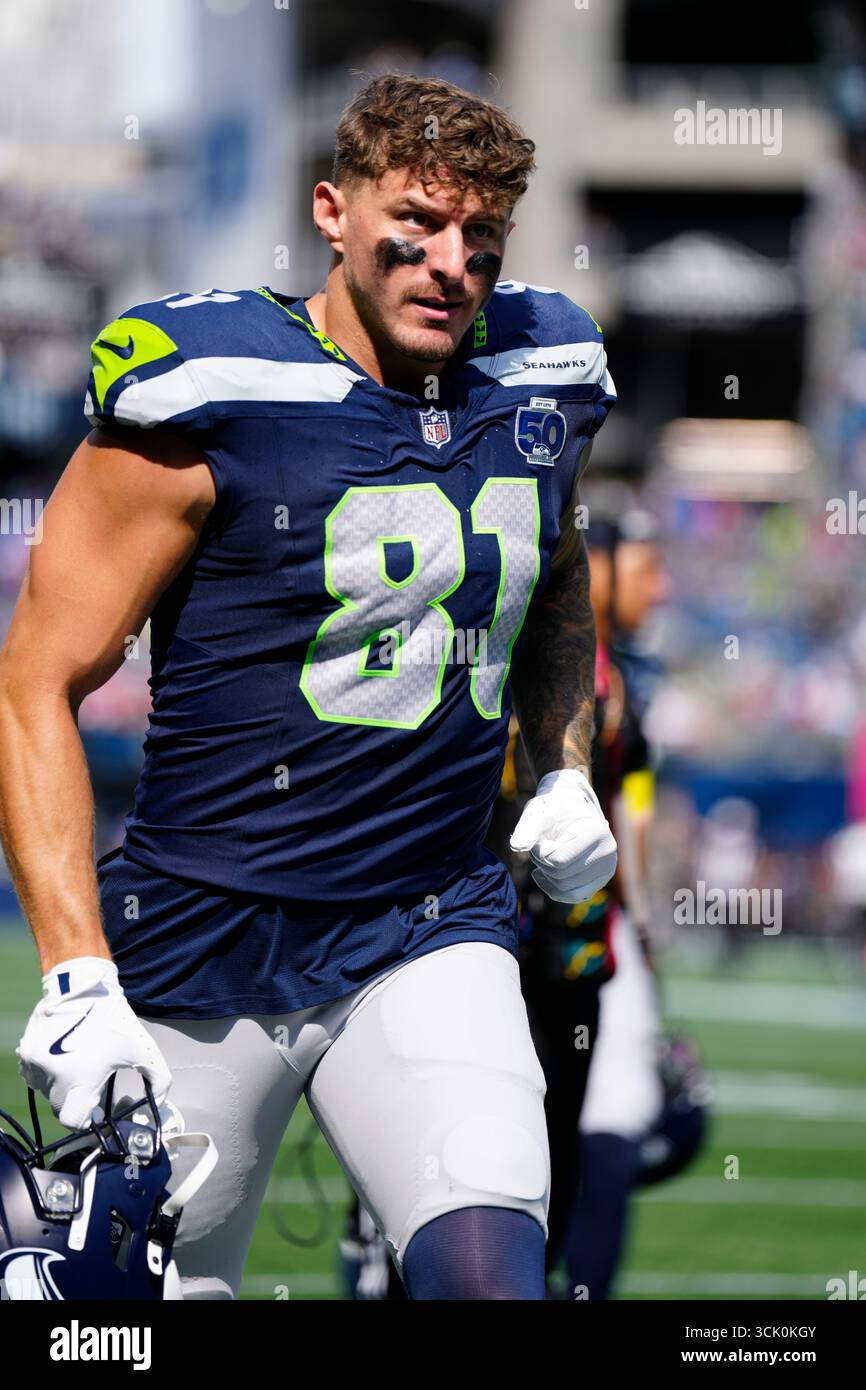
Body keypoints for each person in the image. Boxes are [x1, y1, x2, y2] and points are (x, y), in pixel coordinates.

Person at [0, 73, 617, 1301]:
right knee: (120, 1317)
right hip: (199, 942)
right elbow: (31, 684)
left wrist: (563, 763)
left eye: (479, 238)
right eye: (417, 225)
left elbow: (551, 568)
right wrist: (74, 972)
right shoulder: (209, 388)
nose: (451, 263)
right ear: (332, 212)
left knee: (493, 1284)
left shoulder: (542, 368)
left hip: (426, 922)